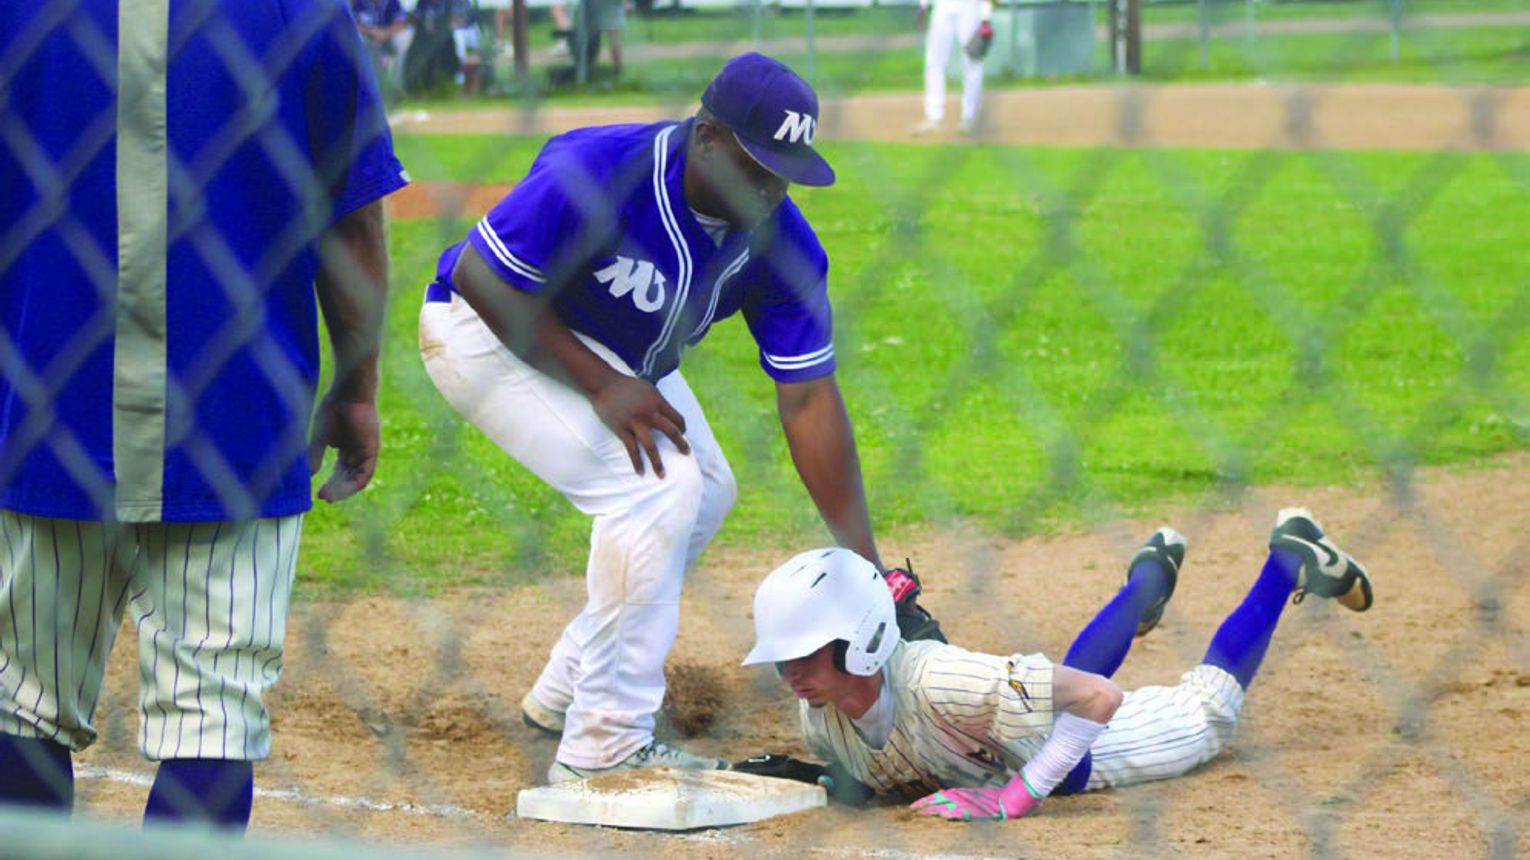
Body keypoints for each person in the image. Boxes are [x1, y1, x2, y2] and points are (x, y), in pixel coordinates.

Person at [418, 52, 940, 785]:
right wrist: (602, 384)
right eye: (755, 165)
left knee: (709, 489)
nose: (769, 189)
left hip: (618, 360)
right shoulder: (601, 167)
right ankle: (604, 742)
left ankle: (568, 687)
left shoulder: (783, 246)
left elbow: (810, 398)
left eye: (783, 172)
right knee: (658, 489)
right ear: (706, 136)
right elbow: (482, 277)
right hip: (484, 330)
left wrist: (868, 566)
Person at [0, 0, 407, 830]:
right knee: (212, 715)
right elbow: (353, 222)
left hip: (44, 408)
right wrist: (356, 386)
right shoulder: (299, 11)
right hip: (235, 418)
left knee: (21, 701)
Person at [743, 508, 1374, 821]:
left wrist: (1014, 798)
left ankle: (1290, 561)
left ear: (857, 642)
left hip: (1099, 746)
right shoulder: (819, 722)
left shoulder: (944, 680)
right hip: (1029, 727)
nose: (791, 675)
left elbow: (1100, 701)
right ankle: (1148, 577)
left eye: (802, 654)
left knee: (1209, 712)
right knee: (1046, 690)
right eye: (781, 661)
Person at [915, 0, 992, 135]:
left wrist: (986, 15)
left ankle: (969, 117)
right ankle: (934, 117)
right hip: (943, 5)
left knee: (972, 60)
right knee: (934, 61)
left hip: (970, 5)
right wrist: (923, 4)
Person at [352, 0, 413, 96]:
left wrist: (385, 33)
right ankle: (359, 85)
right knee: (356, 38)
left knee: (405, 36)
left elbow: (401, 22)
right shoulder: (359, 2)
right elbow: (353, 24)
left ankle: (398, 85)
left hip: (388, 37)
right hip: (368, 38)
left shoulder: (392, 2)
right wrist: (372, 31)